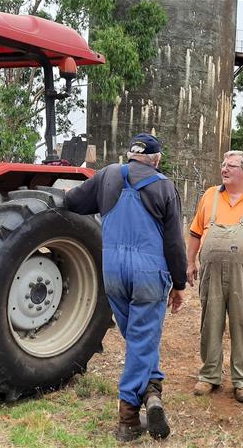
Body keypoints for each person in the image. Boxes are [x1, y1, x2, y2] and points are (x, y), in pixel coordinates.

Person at [65, 133, 186, 442]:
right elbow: (174, 243)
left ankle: (153, 391)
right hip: (149, 273)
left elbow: (73, 201)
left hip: (114, 271)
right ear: (156, 159)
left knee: (138, 339)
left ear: (130, 155)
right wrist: (179, 283)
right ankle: (128, 417)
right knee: (143, 340)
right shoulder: (165, 186)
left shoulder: (107, 175)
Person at [187, 150, 243, 404]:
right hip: (211, 273)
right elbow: (195, 233)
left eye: (231, 166)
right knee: (210, 322)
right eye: (223, 165)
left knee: (242, 325)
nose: (224, 169)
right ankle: (209, 375)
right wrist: (190, 262)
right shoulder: (210, 196)